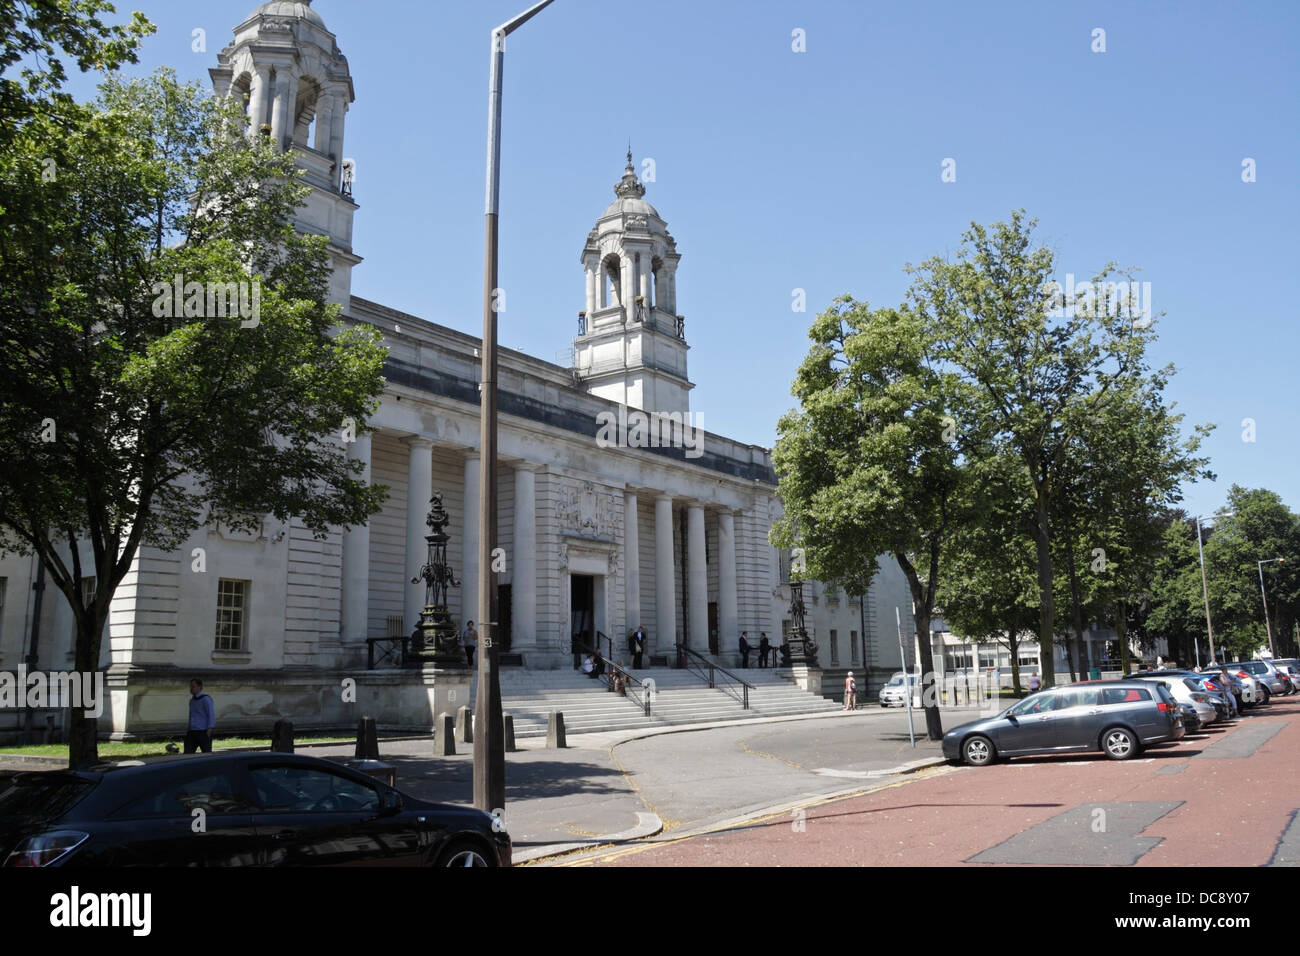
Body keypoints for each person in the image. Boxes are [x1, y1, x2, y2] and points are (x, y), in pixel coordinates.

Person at [185, 679, 215, 754]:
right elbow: (191, 715)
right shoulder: (192, 700)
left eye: (193, 686)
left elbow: (211, 714)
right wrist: (189, 729)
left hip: (203, 732)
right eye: (190, 686)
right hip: (192, 732)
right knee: (187, 754)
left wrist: (210, 729)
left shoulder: (206, 699)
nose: (191, 689)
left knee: (206, 754)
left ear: (199, 687)